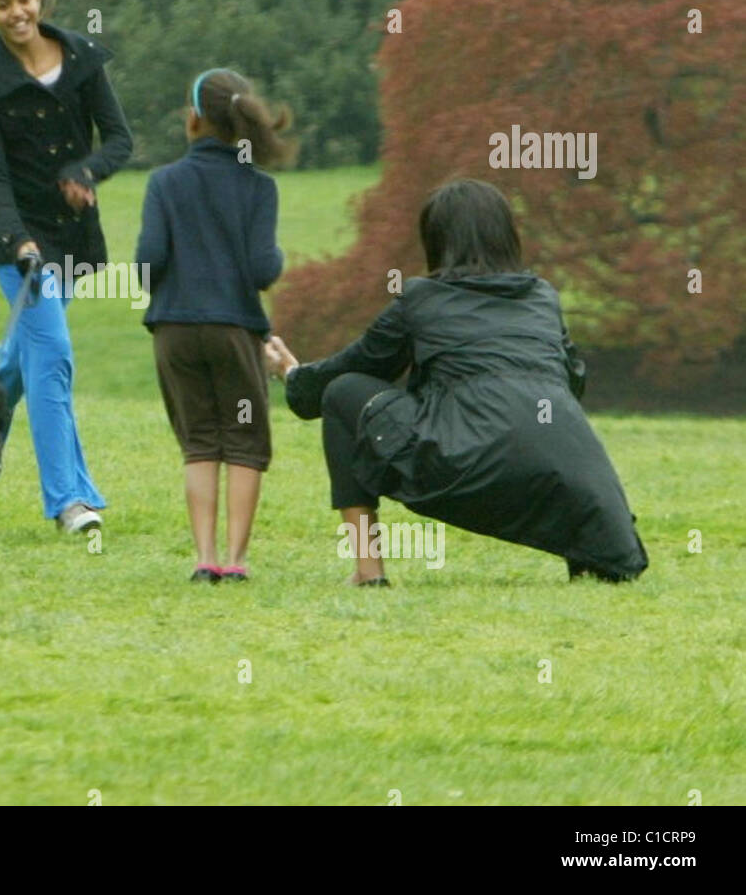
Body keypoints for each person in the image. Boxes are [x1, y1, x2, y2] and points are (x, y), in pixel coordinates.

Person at [265, 178, 648, 587]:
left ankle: (368, 572)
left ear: (435, 240)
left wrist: (292, 373)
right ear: (507, 236)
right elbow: (573, 383)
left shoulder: (420, 299)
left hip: (464, 466)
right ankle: (586, 549)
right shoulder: (542, 297)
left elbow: (348, 373)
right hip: (570, 479)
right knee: (609, 570)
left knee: (343, 392)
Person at [0, 0, 133, 533]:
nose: (18, 12)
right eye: (3, 4)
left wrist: (86, 174)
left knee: (20, 359)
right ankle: (70, 501)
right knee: (53, 356)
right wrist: (18, 241)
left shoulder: (83, 60)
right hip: (19, 243)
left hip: (75, 239)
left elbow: (119, 139)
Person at [136, 69, 294, 582]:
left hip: (174, 330)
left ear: (194, 118)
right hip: (234, 330)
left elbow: (148, 262)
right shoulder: (258, 187)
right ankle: (236, 560)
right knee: (244, 442)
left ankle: (203, 558)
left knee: (200, 441)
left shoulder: (164, 182)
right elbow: (261, 270)